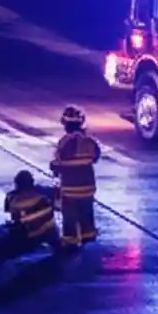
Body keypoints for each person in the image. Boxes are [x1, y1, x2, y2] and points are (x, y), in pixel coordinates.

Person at [50, 105, 100, 247]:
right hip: (88, 189)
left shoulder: (65, 142)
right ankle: (88, 237)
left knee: (70, 218)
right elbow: (95, 158)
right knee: (87, 215)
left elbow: (59, 164)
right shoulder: (90, 142)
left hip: (70, 190)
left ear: (66, 124)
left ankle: (70, 241)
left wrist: (53, 167)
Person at [3, 170, 57, 251]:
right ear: (32, 182)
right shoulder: (43, 193)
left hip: (22, 235)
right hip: (45, 234)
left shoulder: (10, 197)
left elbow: (8, 211)